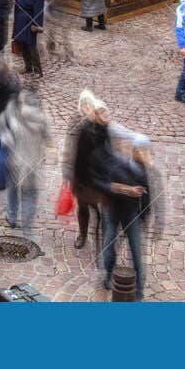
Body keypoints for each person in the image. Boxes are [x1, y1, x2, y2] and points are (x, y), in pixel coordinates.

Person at [101, 134, 158, 299]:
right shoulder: (119, 165)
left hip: (131, 214)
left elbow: (147, 196)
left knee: (136, 252)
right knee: (109, 247)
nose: (145, 153)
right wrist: (128, 190)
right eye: (141, 149)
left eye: (146, 150)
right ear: (134, 150)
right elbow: (109, 187)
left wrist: (144, 216)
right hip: (113, 212)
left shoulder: (144, 171)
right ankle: (108, 274)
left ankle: (138, 290)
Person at [64, 89, 113, 249]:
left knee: (100, 205)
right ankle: (83, 234)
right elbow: (69, 148)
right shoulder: (76, 123)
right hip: (81, 175)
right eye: (83, 105)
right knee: (83, 205)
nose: (86, 107)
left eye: (89, 104)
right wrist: (67, 171)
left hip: (97, 175)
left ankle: (102, 231)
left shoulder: (101, 123)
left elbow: (109, 150)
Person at [0, 88, 52, 239]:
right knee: (30, 194)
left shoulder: (15, 116)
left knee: (12, 190)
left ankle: (11, 218)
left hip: (15, 162)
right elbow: (49, 139)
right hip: (33, 165)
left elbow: (6, 138)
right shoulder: (44, 119)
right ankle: (27, 226)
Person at [10, 0, 46, 77]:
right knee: (22, 44)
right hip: (20, 22)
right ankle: (28, 67)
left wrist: (36, 24)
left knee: (31, 46)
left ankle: (38, 71)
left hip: (30, 23)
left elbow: (39, 10)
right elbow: (17, 6)